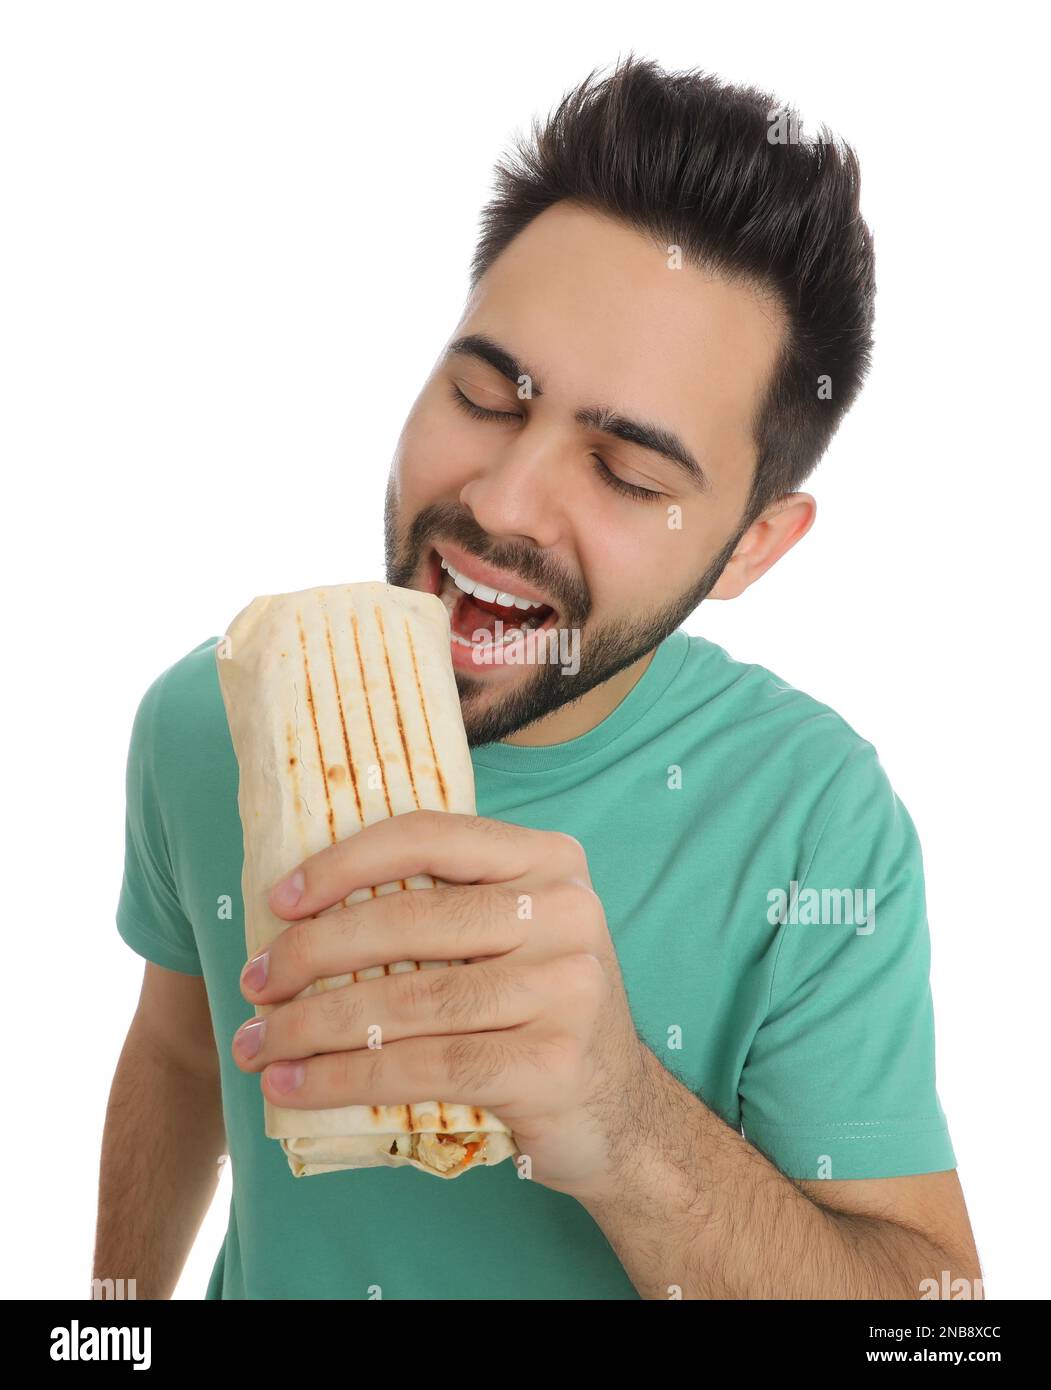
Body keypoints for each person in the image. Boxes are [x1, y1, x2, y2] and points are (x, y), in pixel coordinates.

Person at [95, 54, 981, 1300]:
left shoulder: (814, 823)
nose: (499, 504)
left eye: (627, 474)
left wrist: (622, 1120)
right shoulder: (207, 715)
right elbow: (184, 1053)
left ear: (752, 545)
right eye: (483, 394)